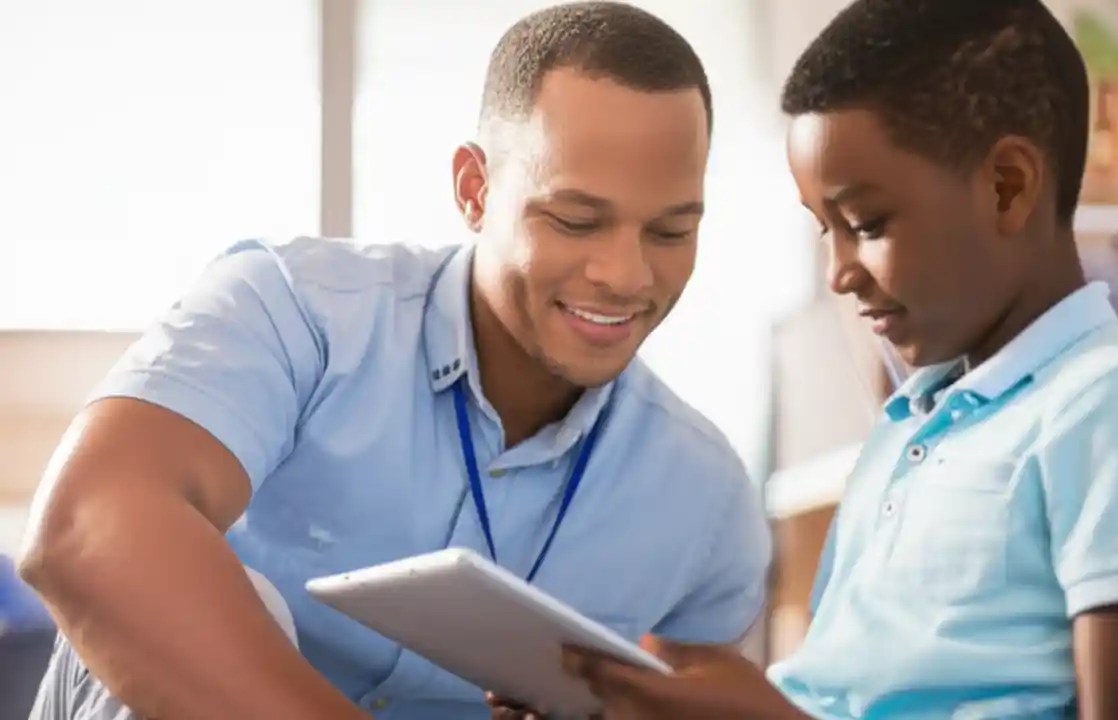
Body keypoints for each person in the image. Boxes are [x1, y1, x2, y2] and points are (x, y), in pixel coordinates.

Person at [18, 3, 770, 718]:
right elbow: (83, 532)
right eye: (576, 220)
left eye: (670, 233)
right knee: (179, 595)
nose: (627, 275)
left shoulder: (708, 501)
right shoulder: (296, 311)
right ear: (475, 191)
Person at [560, 1, 1118, 718]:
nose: (837, 274)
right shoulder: (908, 424)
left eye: (866, 225)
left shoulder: (1117, 406)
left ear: (1008, 187)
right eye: (825, 231)